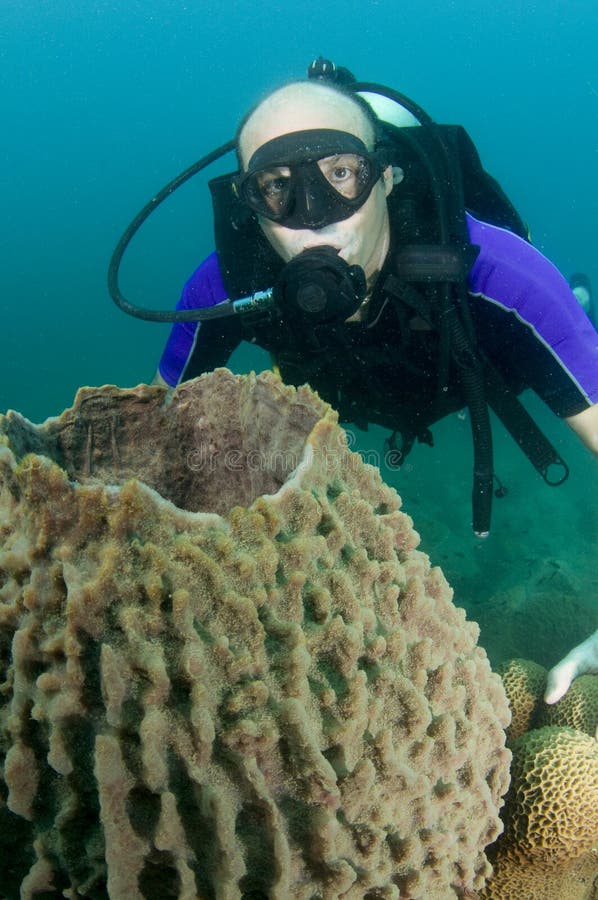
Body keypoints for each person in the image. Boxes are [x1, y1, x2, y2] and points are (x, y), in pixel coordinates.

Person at [153, 67, 598, 704]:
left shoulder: (497, 270)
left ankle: (579, 299)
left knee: (564, 326)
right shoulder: (228, 283)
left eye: (339, 174)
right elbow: (152, 428)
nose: (314, 219)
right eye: (278, 188)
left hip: (483, 364)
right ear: (249, 206)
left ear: (385, 176)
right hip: (361, 391)